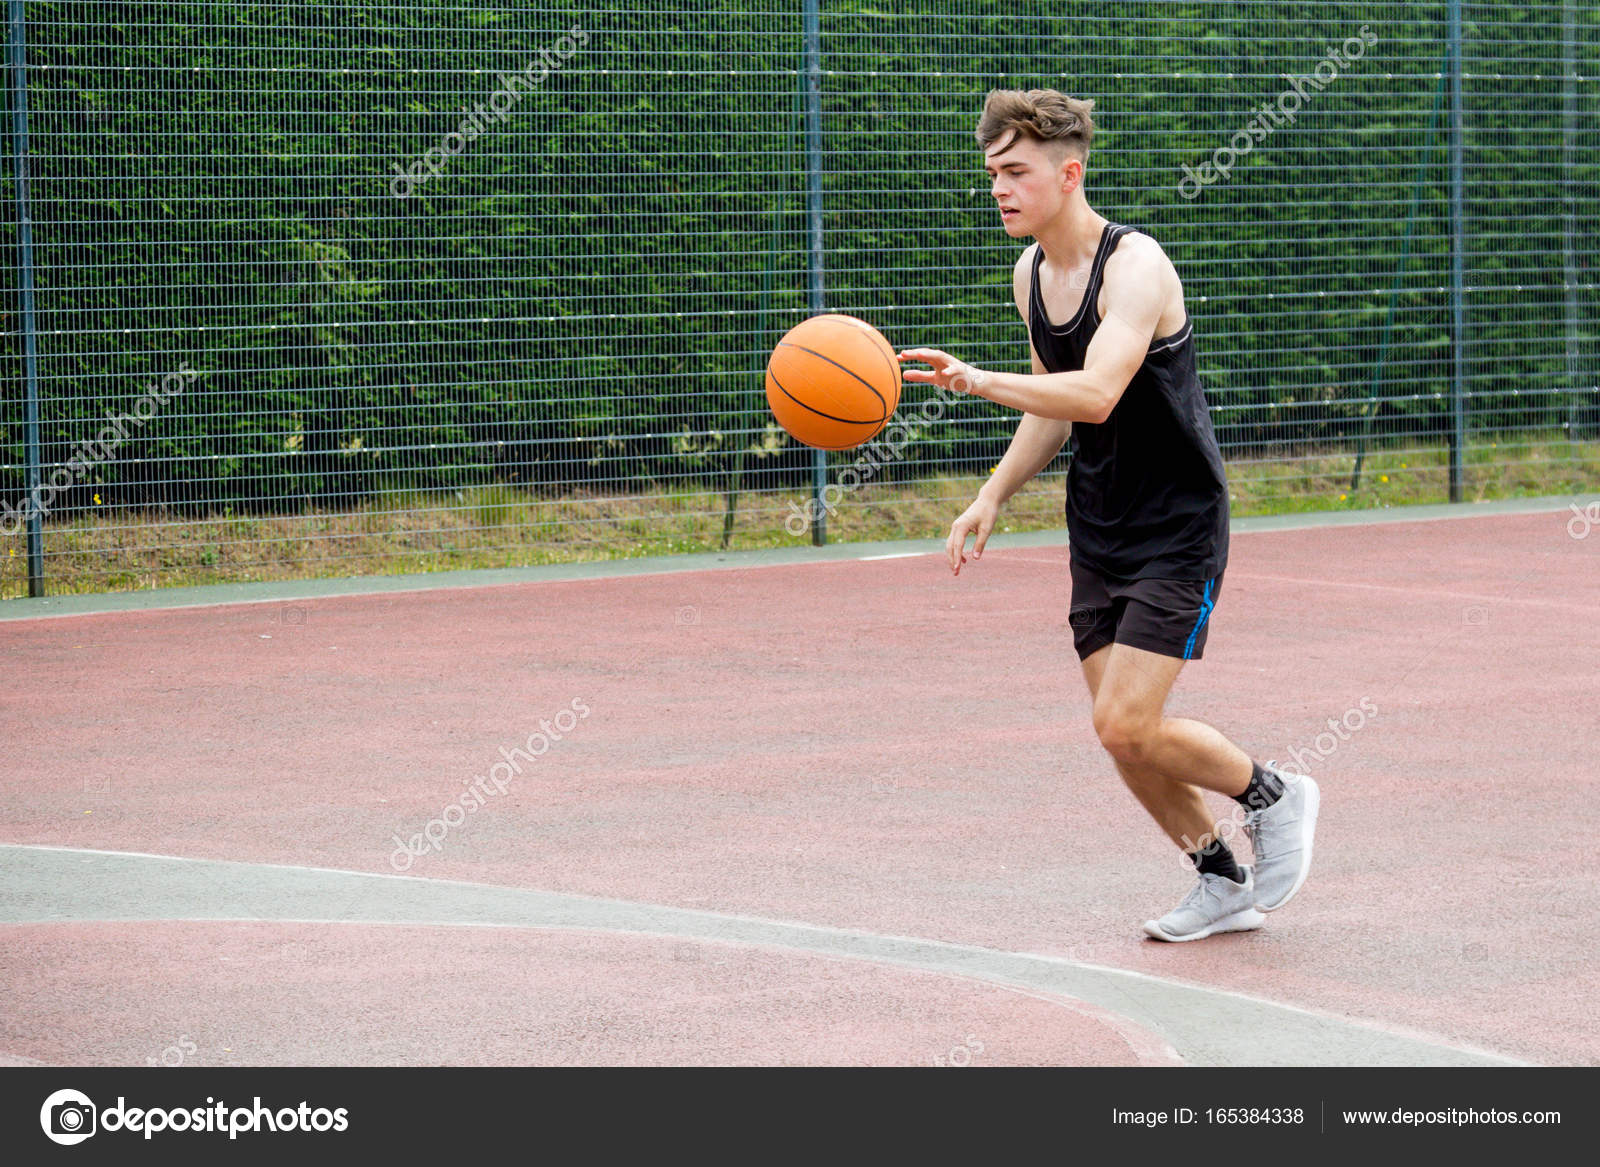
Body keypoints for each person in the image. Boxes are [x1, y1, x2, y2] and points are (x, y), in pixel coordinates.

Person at [898, 88, 1319, 942]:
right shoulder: (1030, 275)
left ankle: (1273, 792)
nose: (1000, 189)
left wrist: (972, 379)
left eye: (1016, 172)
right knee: (1123, 738)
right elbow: (1052, 408)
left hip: (1178, 523)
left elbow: (1094, 393)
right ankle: (1218, 878)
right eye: (992, 174)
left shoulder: (1135, 265)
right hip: (1099, 521)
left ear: (1069, 172)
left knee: (1125, 718)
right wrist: (992, 492)